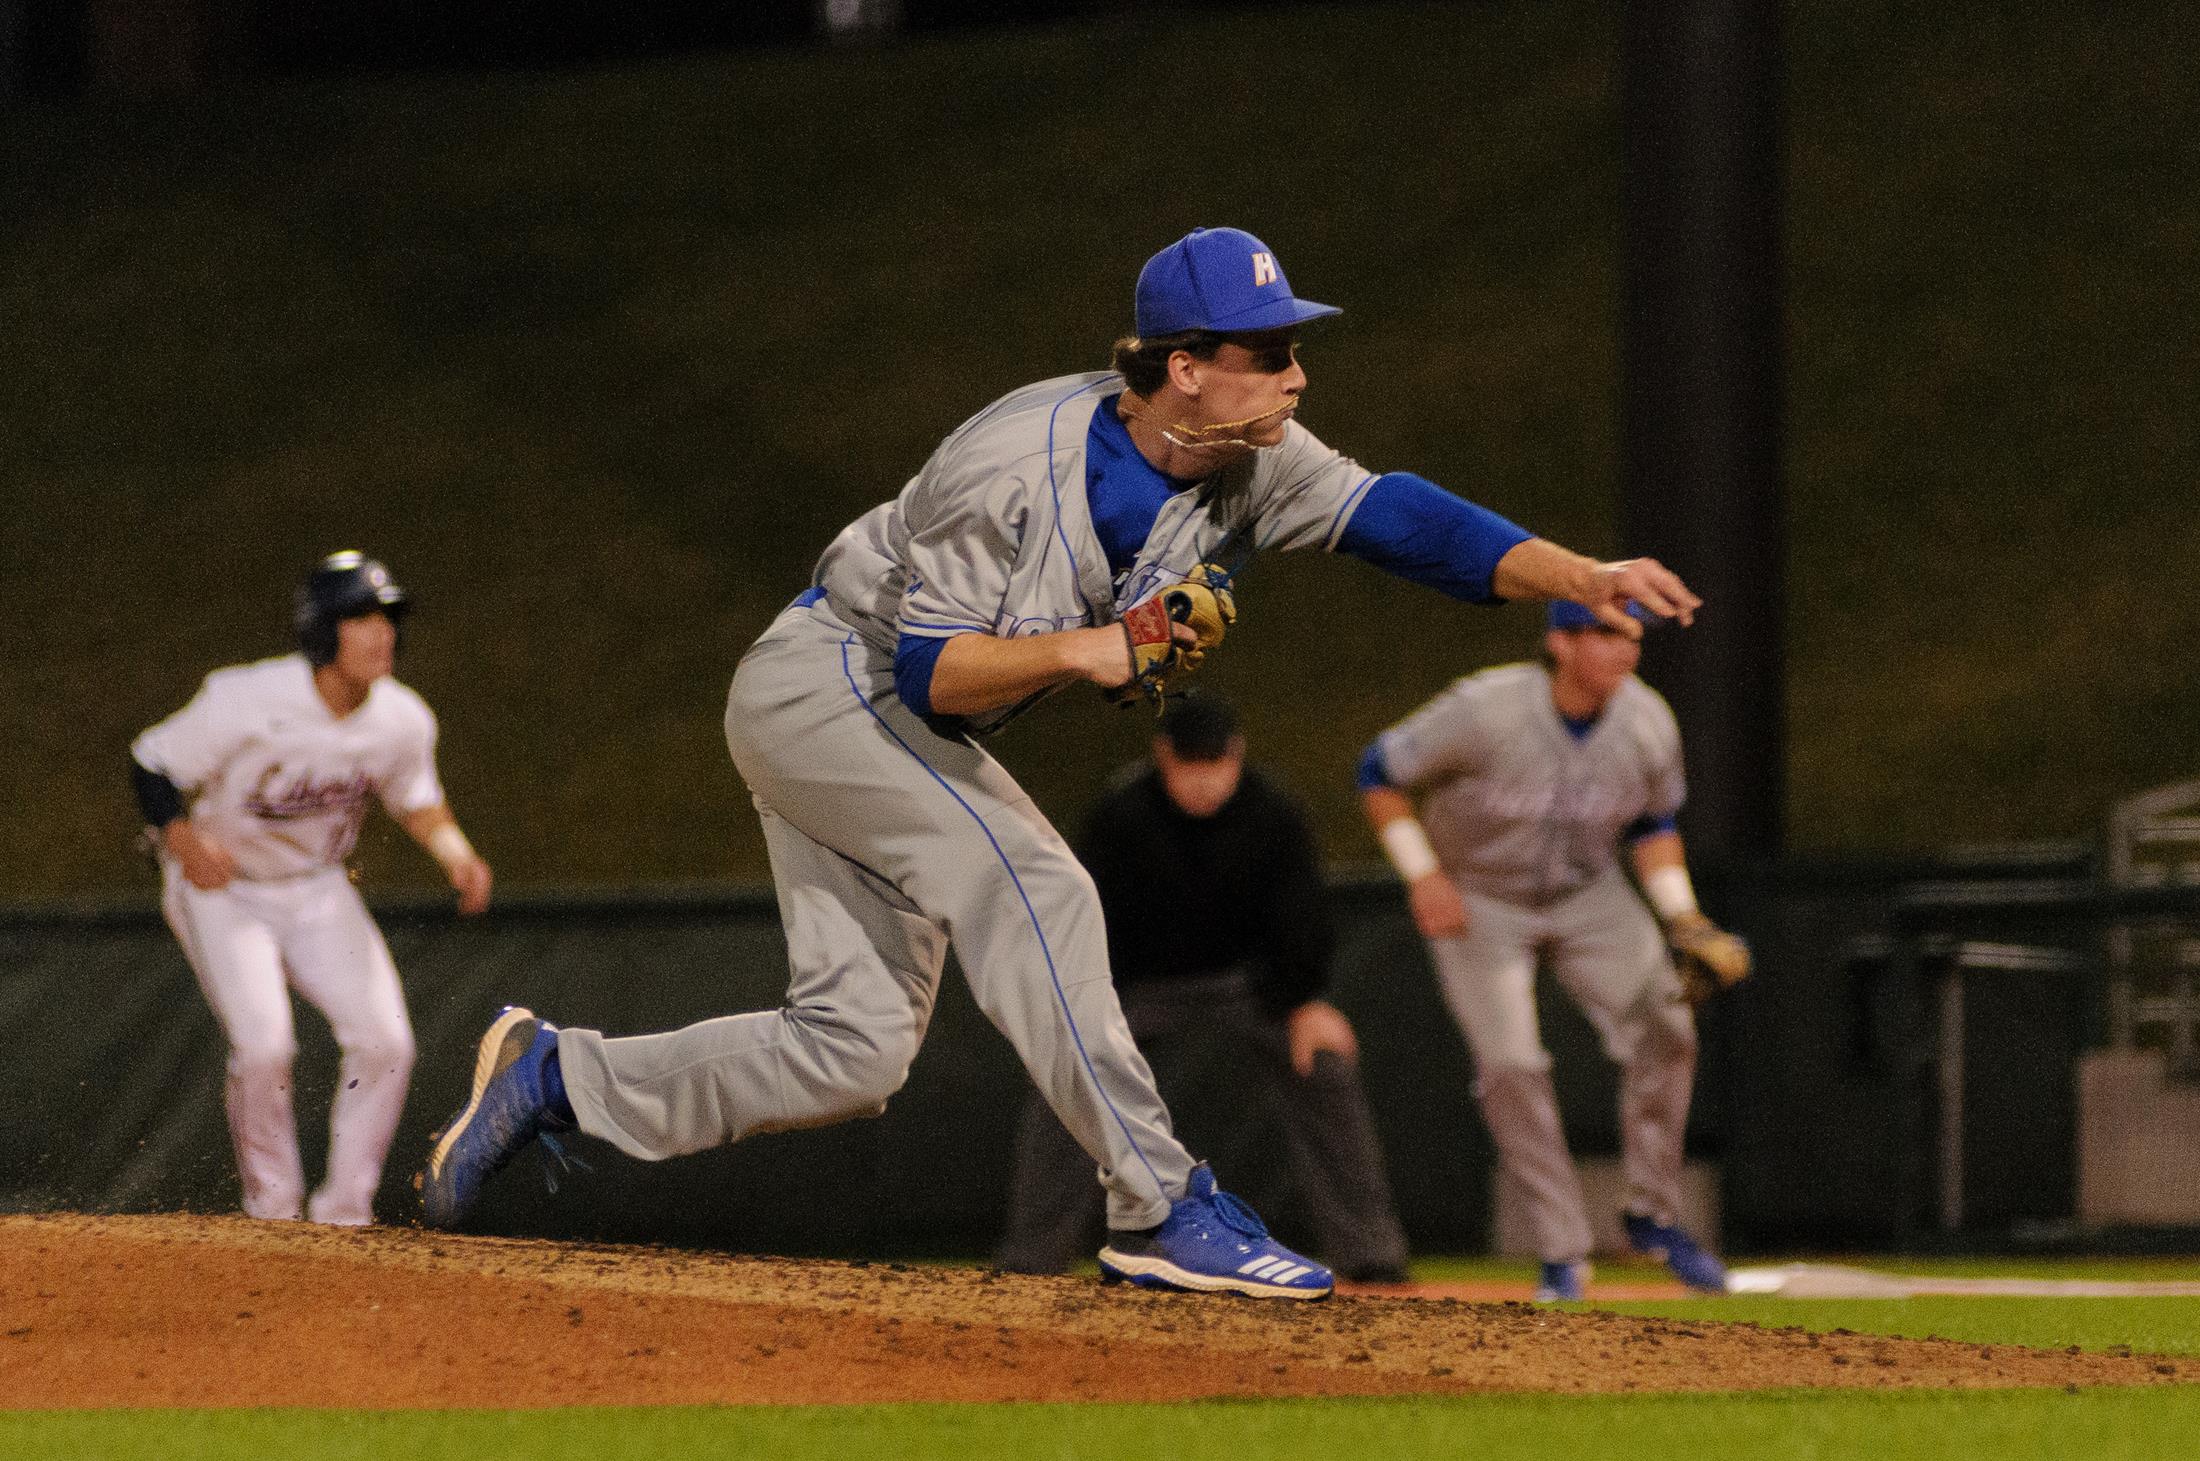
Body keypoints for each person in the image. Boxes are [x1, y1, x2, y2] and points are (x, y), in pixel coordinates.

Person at [418, 225, 1698, 1300]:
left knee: (851, 1051)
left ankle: (558, 1077)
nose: (1297, 373)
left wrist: (1576, 574)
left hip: (895, 720)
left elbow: (1404, 519)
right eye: (1269, 352)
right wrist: (1099, 649)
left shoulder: (1254, 461)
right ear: (1186, 369)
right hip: (837, 686)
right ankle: (1156, 1208)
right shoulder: (1018, 467)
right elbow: (934, 673)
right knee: (1042, 886)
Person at [1357, 599, 1748, 1302]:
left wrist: (1682, 916)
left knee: (1670, 1028)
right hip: (1478, 894)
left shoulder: (1648, 719)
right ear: (1560, 641)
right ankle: (1562, 1249)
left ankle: (1653, 1216)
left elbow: (1655, 824)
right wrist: (1422, 873)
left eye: (1632, 634)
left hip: (1589, 890)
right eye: (1605, 631)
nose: (1625, 648)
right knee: (1510, 1063)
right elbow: (1378, 771)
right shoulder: (1486, 708)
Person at [130, 551, 494, 1226]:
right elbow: (151, 761)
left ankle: (344, 1213)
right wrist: (183, 842)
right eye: (360, 616)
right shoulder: (248, 698)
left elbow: (415, 798)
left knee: (386, 1043)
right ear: (323, 630)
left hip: (319, 888)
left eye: (387, 616)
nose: (380, 631)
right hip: (225, 891)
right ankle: (273, 1211)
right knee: (267, 1046)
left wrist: (456, 852)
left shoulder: (401, 718)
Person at [993, 696, 1411, 1283]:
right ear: (1164, 758)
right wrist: (1087, 1011)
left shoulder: (1273, 813)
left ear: (1237, 756)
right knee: (1070, 1079)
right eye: (1192, 763)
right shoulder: (1122, 814)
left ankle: (1372, 1257)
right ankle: (1031, 1260)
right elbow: (1084, 920)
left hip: (1250, 989)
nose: (1206, 778)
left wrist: (1306, 1000)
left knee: (1325, 1064)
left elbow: (1302, 916)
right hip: (1138, 991)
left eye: (1218, 762)